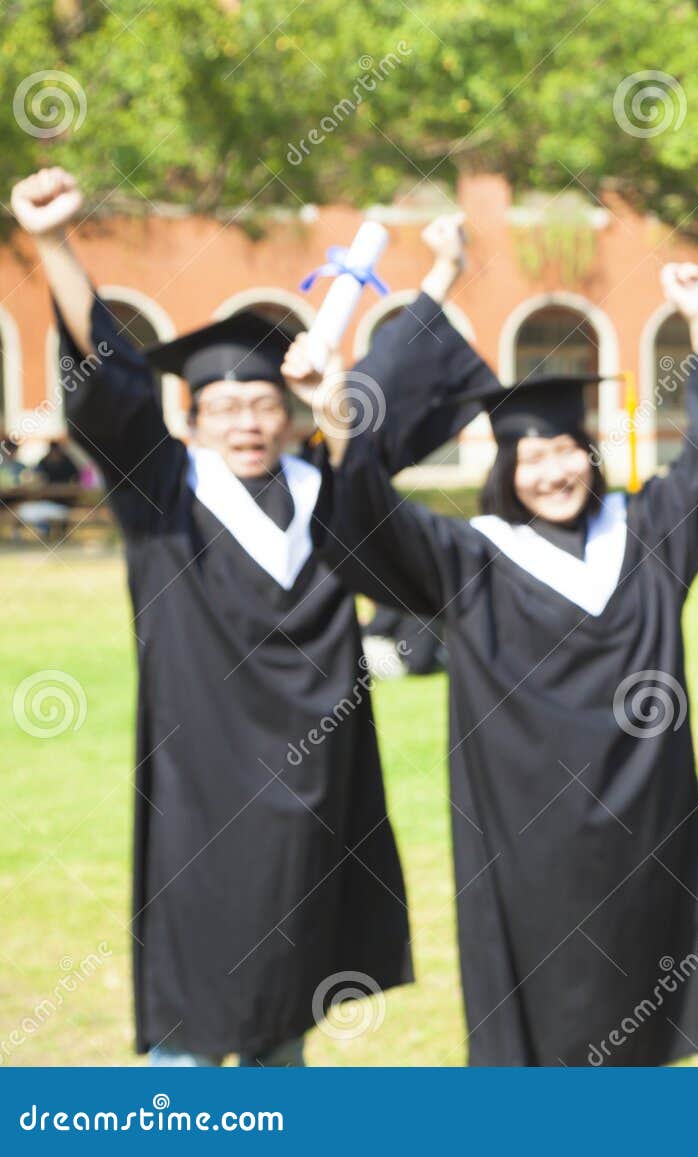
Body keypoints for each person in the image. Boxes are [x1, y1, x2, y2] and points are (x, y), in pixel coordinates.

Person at [289, 219, 698, 1065]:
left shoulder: (649, 535)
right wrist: (340, 408)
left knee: (644, 1032)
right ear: (504, 468)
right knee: (543, 1037)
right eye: (531, 455)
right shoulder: (467, 557)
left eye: (566, 449)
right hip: (522, 844)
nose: (553, 470)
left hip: (644, 834)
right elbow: (361, 513)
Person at [10, 166, 414, 1066]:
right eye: (223, 406)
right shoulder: (166, 497)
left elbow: (402, 547)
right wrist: (53, 244)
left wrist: (342, 404)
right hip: (201, 786)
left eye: (263, 403)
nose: (244, 422)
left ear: (289, 414)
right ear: (189, 420)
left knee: (285, 1010)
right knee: (195, 1007)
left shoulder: (328, 495)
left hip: (314, 788)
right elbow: (109, 378)